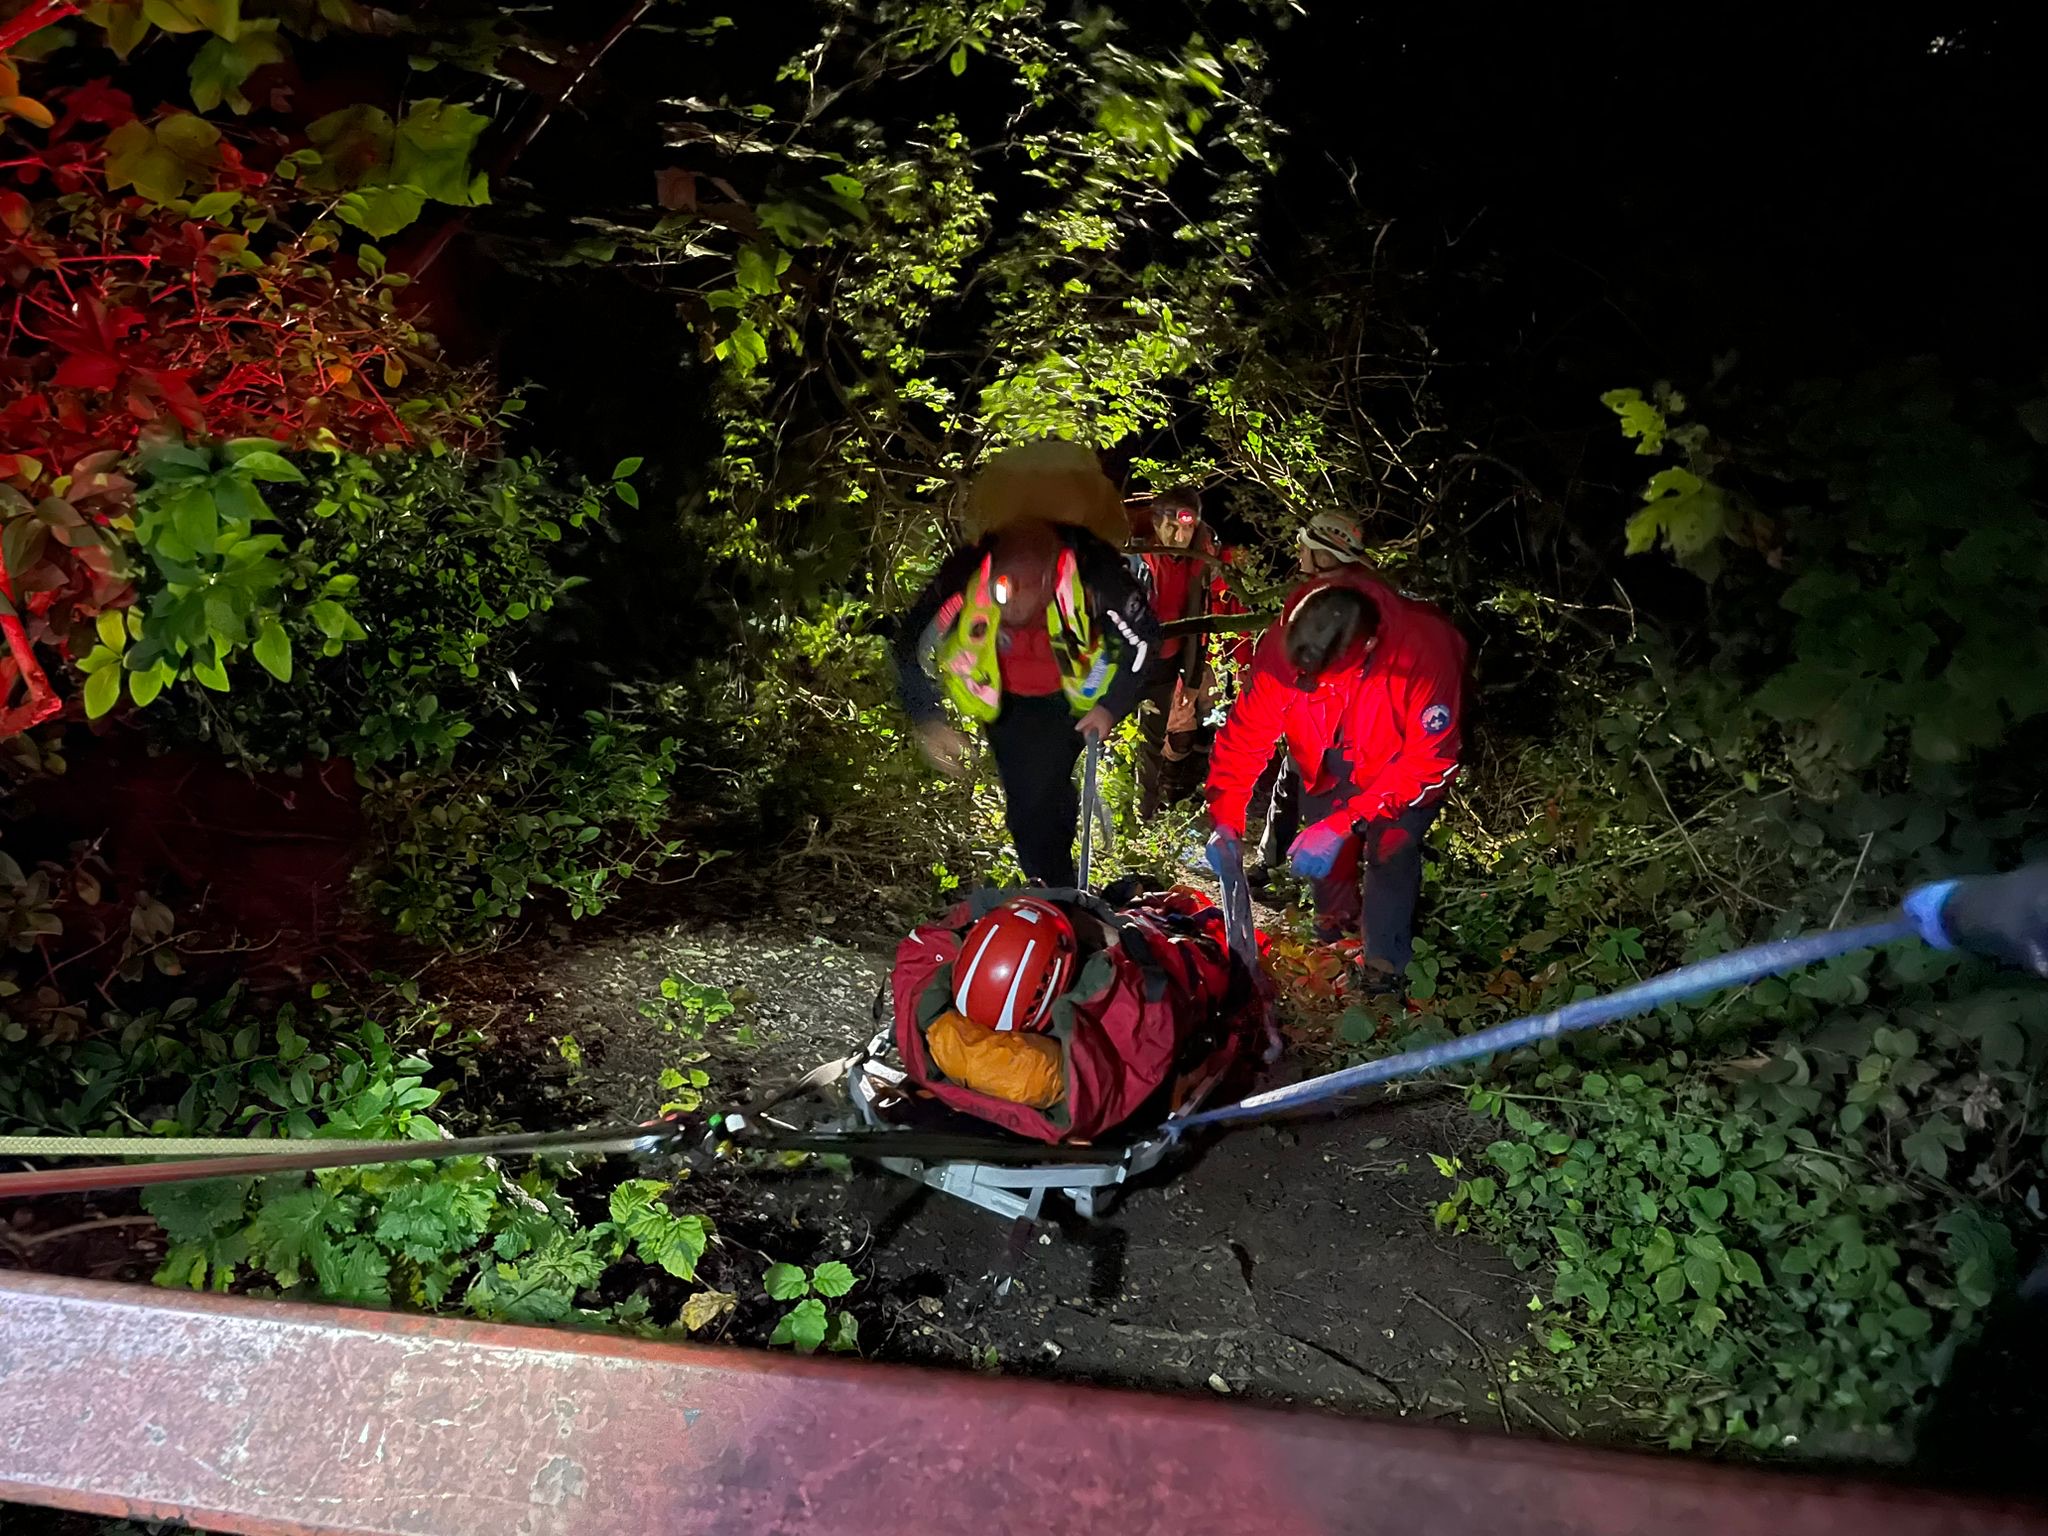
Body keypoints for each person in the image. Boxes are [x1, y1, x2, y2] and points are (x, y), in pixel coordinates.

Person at [1205, 564, 1467, 990]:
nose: (1306, 686)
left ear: (1368, 647)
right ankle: (1335, 942)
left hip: (1401, 767)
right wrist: (1225, 818)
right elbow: (1245, 737)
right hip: (1325, 759)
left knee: (1390, 849)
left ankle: (1384, 967)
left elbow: (1429, 760)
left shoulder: (1424, 650)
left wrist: (1348, 821)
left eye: (1321, 681)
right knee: (1327, 857)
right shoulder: (1287, 645)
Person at [894, 507, 1161, 888]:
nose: (1014, 600)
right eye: (1004, 587)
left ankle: (1057, 889)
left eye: (1027, 587)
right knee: (1028, 805)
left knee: (1044, 794)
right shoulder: (967, 571)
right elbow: (909, 641)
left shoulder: (1095, 572)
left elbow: (1143, 638)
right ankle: (1055, 888)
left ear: (1050, 574)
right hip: (1007, 700)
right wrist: (928, 716)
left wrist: (1110, 706)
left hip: (1076, 696)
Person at [1247, 511, 1378, 883]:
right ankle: (1277, 862)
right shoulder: (1356, 591)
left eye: (1305, 546)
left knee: (1304, 785)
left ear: (1323, 554)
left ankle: (1287, 867)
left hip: (1336, 719)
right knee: (1293, 783)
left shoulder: (1333, 598)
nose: (1299, 552)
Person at [1127, 486, 1239, 820]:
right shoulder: (1134, 555)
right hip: (1126, 662)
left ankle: (1142, 817)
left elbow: (1199, 624)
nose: (1179, 537)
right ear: (1156, 523)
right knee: (1106, 731)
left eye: (1186, 529)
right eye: (1171, 527)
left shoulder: (1199, 561)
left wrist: (1191, 679)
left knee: (1152, 743)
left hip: (1165, 665)